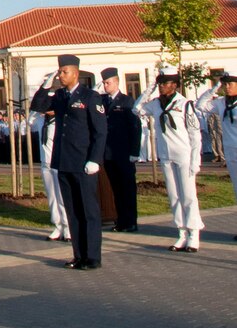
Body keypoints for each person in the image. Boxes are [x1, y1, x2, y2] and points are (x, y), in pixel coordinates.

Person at [30, 54, 107, 271]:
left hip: (83, 162)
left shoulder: (90, 96)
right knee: (72, 211)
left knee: (88, 211)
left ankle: (92, 257)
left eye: (64, 72)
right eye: (59, 72)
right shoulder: (61, 96)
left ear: (75, 73)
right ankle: (79, 255)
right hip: (64, 161)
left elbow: (100, 132)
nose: (61, 75)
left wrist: (94, 160)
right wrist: (46, 85)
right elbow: (38, 106)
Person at [134, 66, 203, 252]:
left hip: (184, 155)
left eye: (164, 83)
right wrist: (148, 89)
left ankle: (193, 234)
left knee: (188, 196)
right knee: (174, 196)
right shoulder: (156, 104)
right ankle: (181, 233)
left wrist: (196, 160)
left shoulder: (185, 104)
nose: (161, 87)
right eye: (160, 83)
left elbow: (195, 135)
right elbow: (136, 109)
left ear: (175, 85)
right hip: (165, 155)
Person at [99, 67, 142, 232]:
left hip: (124, 152)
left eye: (108, 82)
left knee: (127, 188)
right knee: (116, 188)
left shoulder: (127, 101)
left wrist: (134, 151)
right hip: (108, 153)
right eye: (103, 83)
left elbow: (135, 128)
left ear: (116, 82)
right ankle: (120, 220)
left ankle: (131, 221)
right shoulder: (103, 101)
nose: (105, 86)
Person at [196, 71, 237, 239]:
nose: (227, 87)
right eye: (225, 84)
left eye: (230, 84)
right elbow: (201, 105)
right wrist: (215, 88)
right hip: (230, 150)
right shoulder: (220, 103)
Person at [29, 107, 69, 241]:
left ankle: (67, 226)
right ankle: (57, 225)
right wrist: (38, 107)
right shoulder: (41, 119)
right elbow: (29, 120)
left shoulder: (61, 119)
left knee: (62, 196)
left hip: (58, 161)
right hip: (45, 162)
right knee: (52, 197)